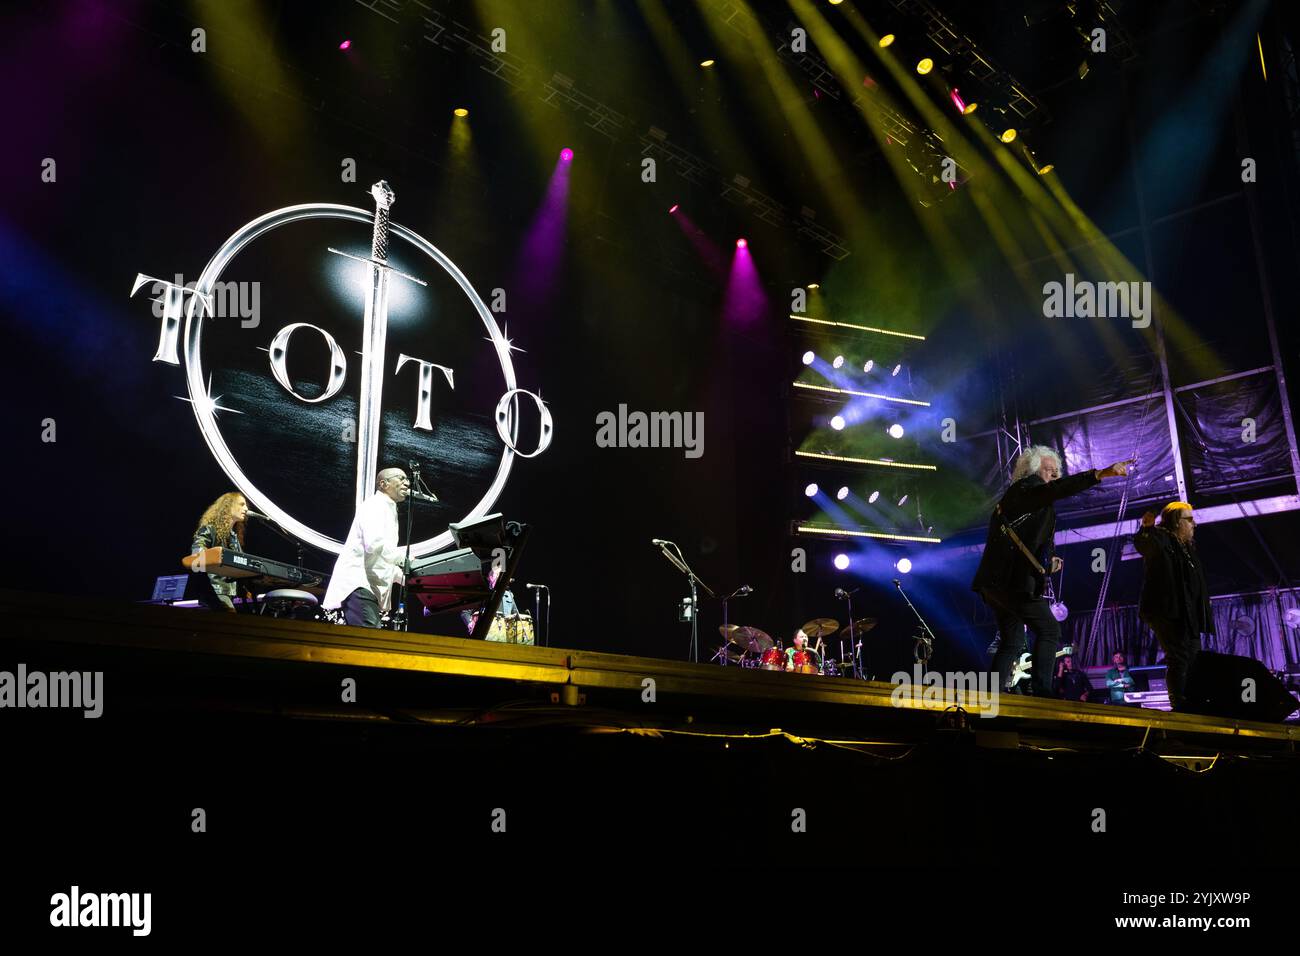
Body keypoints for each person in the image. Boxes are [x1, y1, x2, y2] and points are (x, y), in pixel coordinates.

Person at [973, 446, 1133, 697]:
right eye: (1050, 471)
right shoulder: (1024, 489)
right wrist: (1099, 474)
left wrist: (1049, 561)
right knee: (1049, 630)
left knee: (1012, 641)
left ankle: (991, 698)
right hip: (1009, 582)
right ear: (1033, 471)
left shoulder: (1033, 502)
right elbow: (1054, 491)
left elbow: (1032, 542)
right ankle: (1042, 693)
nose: (1055, 476)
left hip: (998, 583)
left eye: (1057, 472)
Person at [1134, 502, 1212, 711]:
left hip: (1187, 613)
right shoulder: (1161, 537)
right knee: (1178, 657)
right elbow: (1145, 545)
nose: (1194, 523)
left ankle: (1193, 702)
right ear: (1177, 522)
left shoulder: (1186, 547)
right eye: (1189, 519)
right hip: (1167, 610)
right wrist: (1146, 529)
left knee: (1194, 658)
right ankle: (1179, 706)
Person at [322, 467, 410, 628]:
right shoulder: (375, 505)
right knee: (369, 639)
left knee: (369, 639)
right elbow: (374, 545)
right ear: (383, 484)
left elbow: (380, 559)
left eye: (407, 479)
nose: (407, 483)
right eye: (401, 478)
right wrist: (406, 561)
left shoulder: (388, 508)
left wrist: (410, 577)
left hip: (366, 586)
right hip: (358, 583)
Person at [191, 492, 250, 612]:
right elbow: (197, 556)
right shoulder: (209, 529)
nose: (246, 509)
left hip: (228, 593)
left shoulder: (233, 536)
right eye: (242, 504)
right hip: (214, 590)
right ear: (228, 506)